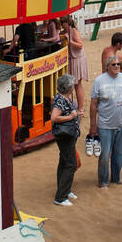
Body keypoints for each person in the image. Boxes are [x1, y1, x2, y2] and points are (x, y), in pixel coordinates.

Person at [89, 57, 122, 188]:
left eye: (118, 64)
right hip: (105, 126)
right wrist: (93, 126)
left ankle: (116, 178)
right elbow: (93, 104)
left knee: (120, 153)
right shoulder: (99, 81)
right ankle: (103, 181)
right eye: (113, 64)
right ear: (107, 66)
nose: (117, 66)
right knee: (104, 155)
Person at [50, 74, 81, 206]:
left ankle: (65, 190)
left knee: (64, 162)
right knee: (71, 164)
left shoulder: (65, 97)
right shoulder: (60, 100)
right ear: (68, 87)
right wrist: (71, 116)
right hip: (65, 135)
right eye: (72, 85)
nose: (73, 87)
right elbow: (54, 118)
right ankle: (61, 197)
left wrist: (75, 115)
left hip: (69, 135)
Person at [63, 16, 88, 113]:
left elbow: (80, 45)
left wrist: (69, 41)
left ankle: (80, 108)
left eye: (62, 22)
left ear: (67, 23)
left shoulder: (74, 31)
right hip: (73, 59)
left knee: (77, 84)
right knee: (73, 84)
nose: (61, 25)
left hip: (77, 59)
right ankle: (76, 106)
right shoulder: (66, 31)